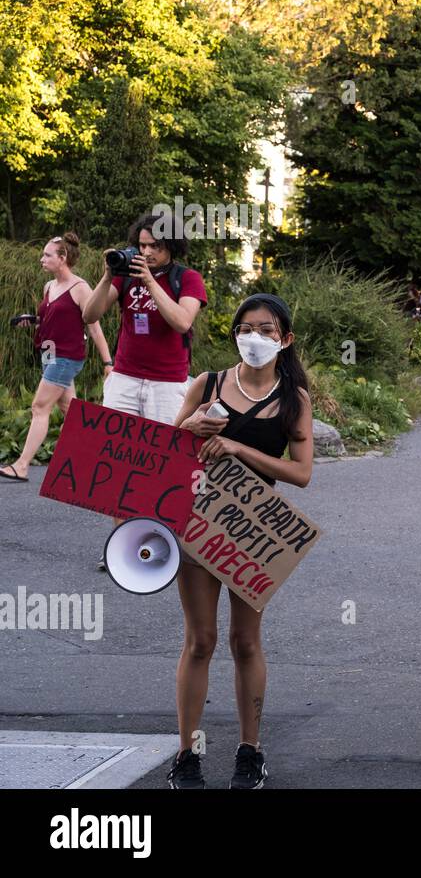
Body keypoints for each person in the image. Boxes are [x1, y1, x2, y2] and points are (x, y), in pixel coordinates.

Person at [166, 293, 314, 789]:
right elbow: (164, 452)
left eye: (267, 329)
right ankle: (187, 754)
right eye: (245, 328)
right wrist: (190, 427)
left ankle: (250, 750)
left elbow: (302, 473)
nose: (255, 337)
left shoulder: (294, 399)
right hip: (198, 526)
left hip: (254, 532)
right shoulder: (207, 385)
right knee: (200, 641)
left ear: (285, 338)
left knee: (245, 642)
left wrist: (236, 446)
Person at [82, 211, 207, 569]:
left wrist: (151, 282)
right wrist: (108, 275)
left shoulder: (188, 279)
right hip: (124, 378)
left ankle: (162, 543)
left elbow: (182, 321)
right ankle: (121, 547)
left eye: (154, 246)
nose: (146, 252)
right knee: (118, 463)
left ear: (171, 247)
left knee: (167, 466)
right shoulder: (125, 278)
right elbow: (90, 314)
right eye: (141, 245)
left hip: (168, 384)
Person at [0, 233, 112, 483]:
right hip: (48, 351)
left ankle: (22, 465)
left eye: (47, 255)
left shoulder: (81, 288)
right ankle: (97, 457)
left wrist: (107, 363)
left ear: (62, 258)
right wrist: (33, 320)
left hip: (66, 357)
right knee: (70, 411)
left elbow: (94, 327)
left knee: (40, 406)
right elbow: (55, 318)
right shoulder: (49, 286)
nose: (42, 259)